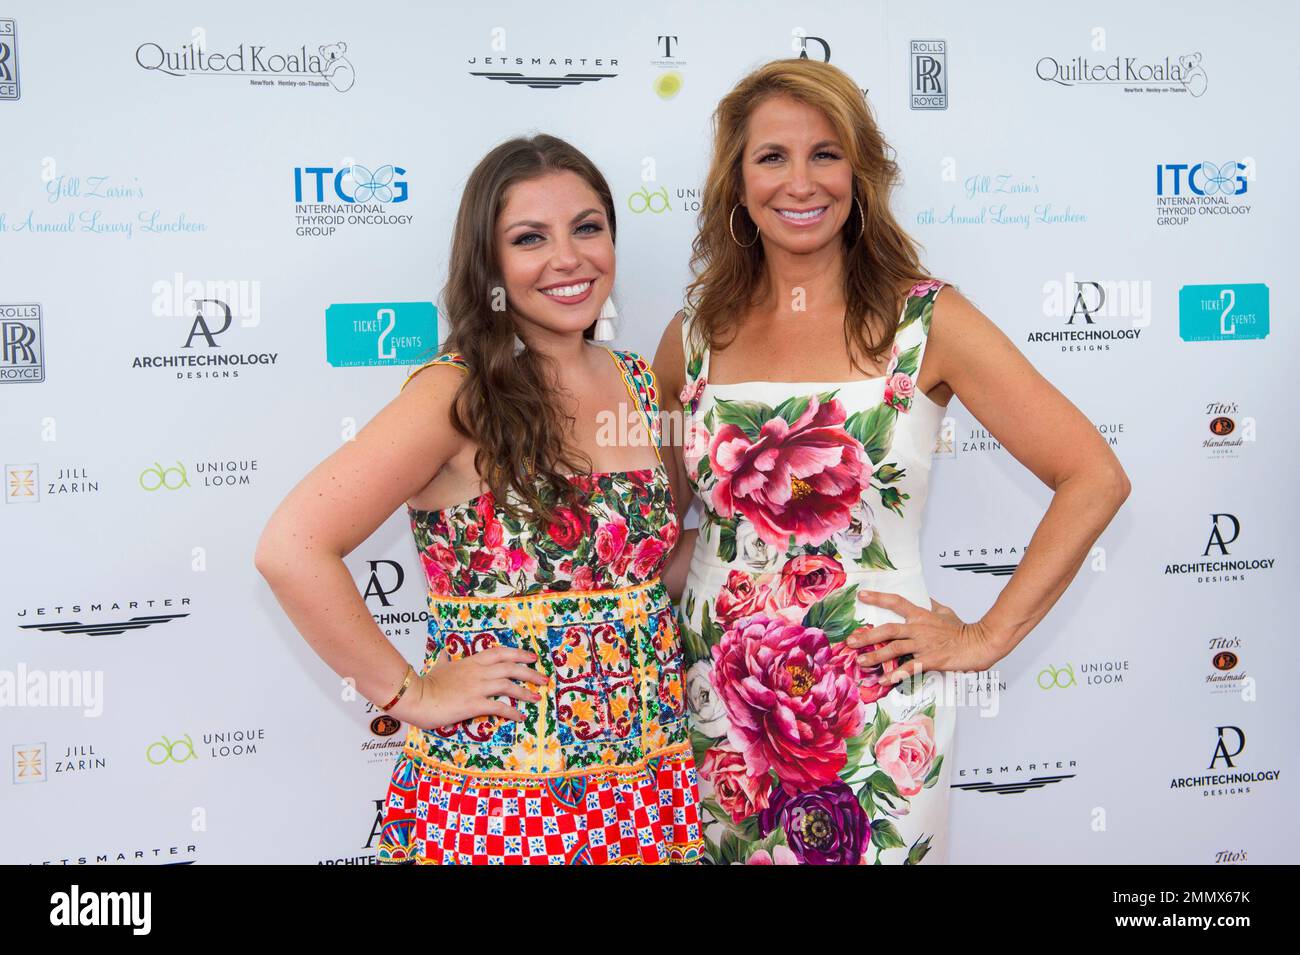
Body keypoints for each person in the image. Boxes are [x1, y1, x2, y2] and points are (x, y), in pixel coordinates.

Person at [654, 59, 1130, 865]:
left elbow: (1093, 476)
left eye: (826, 153)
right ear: (737, 182)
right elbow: (661, 531)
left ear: (861, 173)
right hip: (715, 707)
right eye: (772, 156)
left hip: (873, 710)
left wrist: (983, 637)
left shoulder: (926, 321)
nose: (800, 181)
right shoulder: (691, 337)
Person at [256, 134, 702, 865]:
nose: (568, 258)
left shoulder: (639, 381)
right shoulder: (455, 393)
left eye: (587, 228)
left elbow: (639, 573)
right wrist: (411, 693)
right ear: (488, 264)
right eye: (531, 238)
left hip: (649, 793)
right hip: (501, 805)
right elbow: (291, 547)